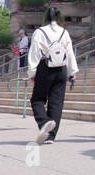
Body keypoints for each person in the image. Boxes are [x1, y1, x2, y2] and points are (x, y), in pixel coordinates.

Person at [28, 7, 79, 144]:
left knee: (37, 100)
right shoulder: (64, 32)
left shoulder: (39, 32)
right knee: (56, 103)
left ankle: (44, 122)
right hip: (61, 69)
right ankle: (51, 136)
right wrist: (72, 72)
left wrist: (32, 73)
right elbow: (69, 53)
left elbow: (34, 53)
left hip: (45, 67)